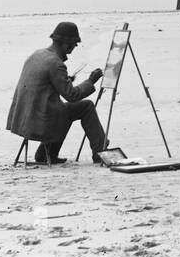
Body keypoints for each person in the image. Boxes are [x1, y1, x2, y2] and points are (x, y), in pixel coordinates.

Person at [6, 21, 106, 164]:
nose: (75, 46)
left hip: (24, 120)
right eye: (74, 43)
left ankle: (47, 153)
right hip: (41, 123)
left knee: (62, 109)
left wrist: (67, 80)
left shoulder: (37, 54)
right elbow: (72, 96)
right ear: (66, 44)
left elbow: (44, 85)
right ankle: (100, 152)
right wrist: (90, 81)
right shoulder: (56, 63)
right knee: (86, 106)